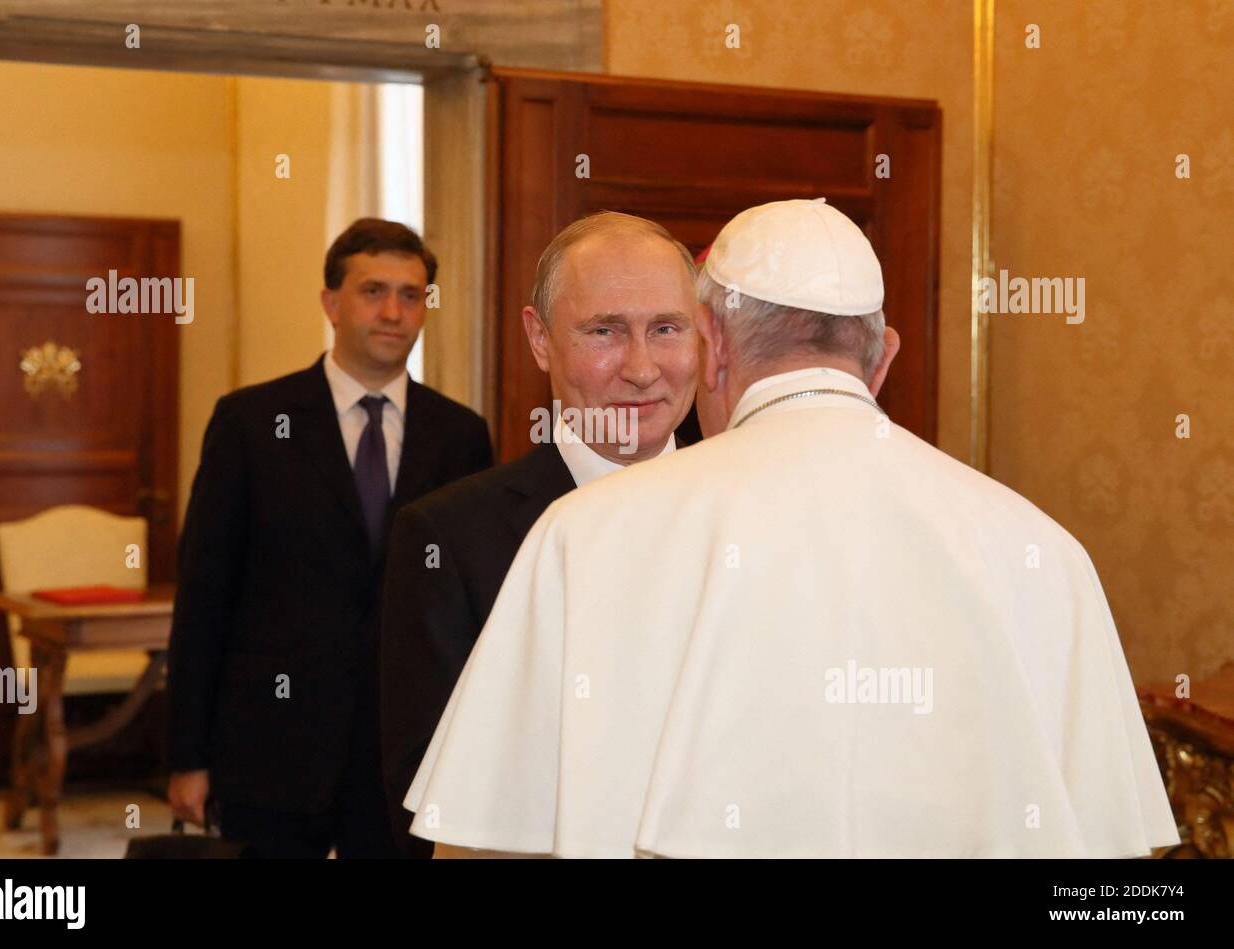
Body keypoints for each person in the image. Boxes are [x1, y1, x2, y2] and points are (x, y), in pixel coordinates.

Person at [402, 198, 1179, 858]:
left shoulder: (580, 537)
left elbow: (483, 841)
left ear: (713, 348)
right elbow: (1114, 872)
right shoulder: (1045, 551)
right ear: (883, 360)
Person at [166, 218, 492, 858]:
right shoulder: (252, 423)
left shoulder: (461, 435)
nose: (394, 312)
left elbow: (477, 608)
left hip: (406, 757)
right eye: (373, 291)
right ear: (330, 303)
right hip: (270, 750)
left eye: (411, 294)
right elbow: (204, 596)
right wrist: (187, 756)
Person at [379, 211, 700, 857]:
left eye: (666, 328)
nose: (641, 368)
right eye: (604, 331)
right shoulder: (449, 537)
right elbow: (425, 801)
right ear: (541, 338)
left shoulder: (749, 516)